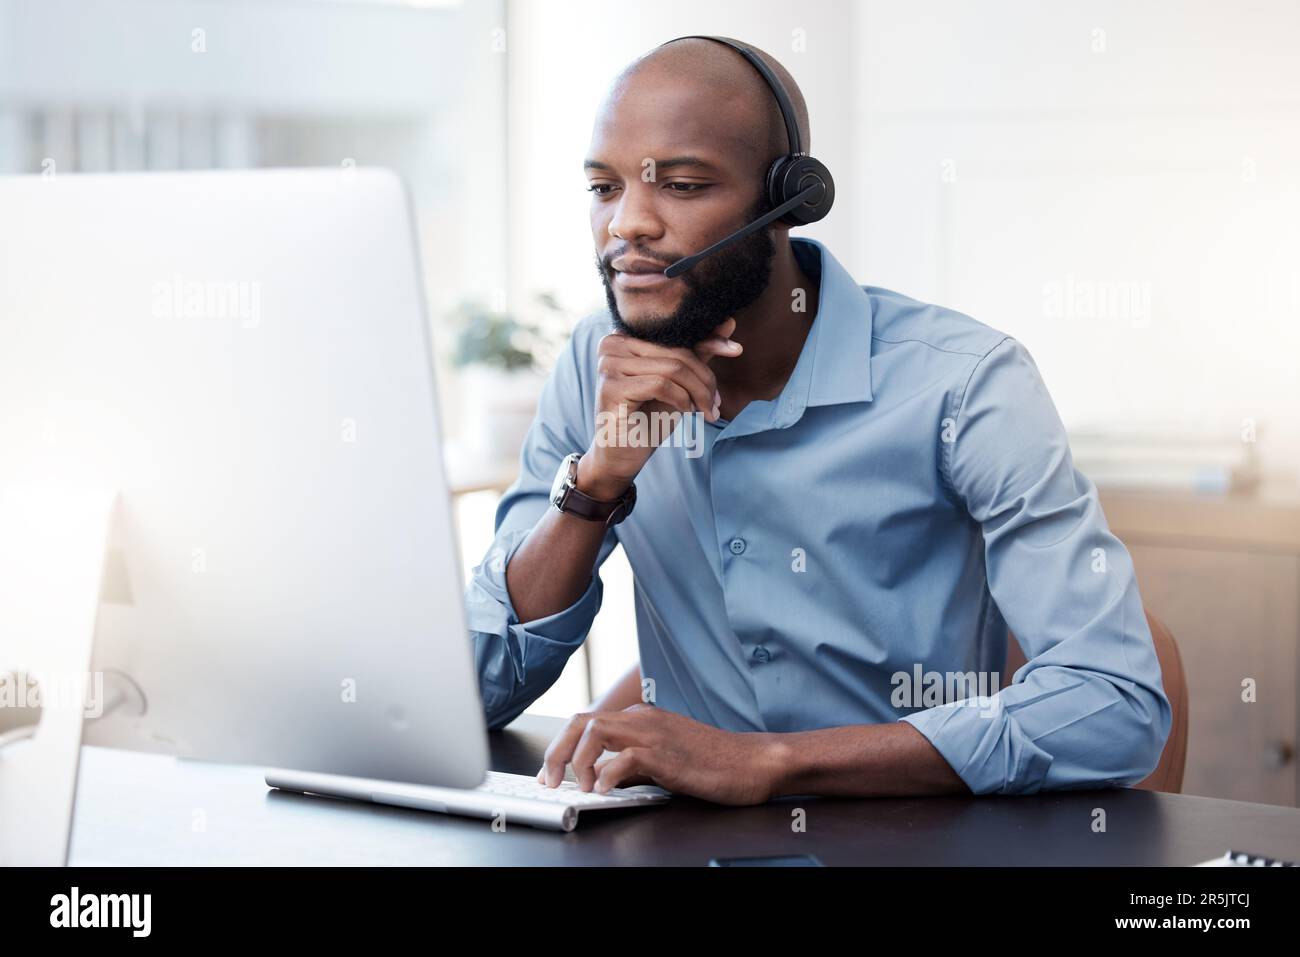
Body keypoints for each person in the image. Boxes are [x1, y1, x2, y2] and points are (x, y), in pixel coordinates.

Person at [464, 36, 1170, 804]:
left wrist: (768, 761)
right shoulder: (595, 366)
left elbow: (1114, 703)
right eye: (604, 188)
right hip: (684, 846)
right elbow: (473, 690)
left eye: (683, 185)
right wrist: (594, 484)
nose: (627, 225)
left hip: (919, 844)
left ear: (788, 201)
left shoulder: (963, 384)